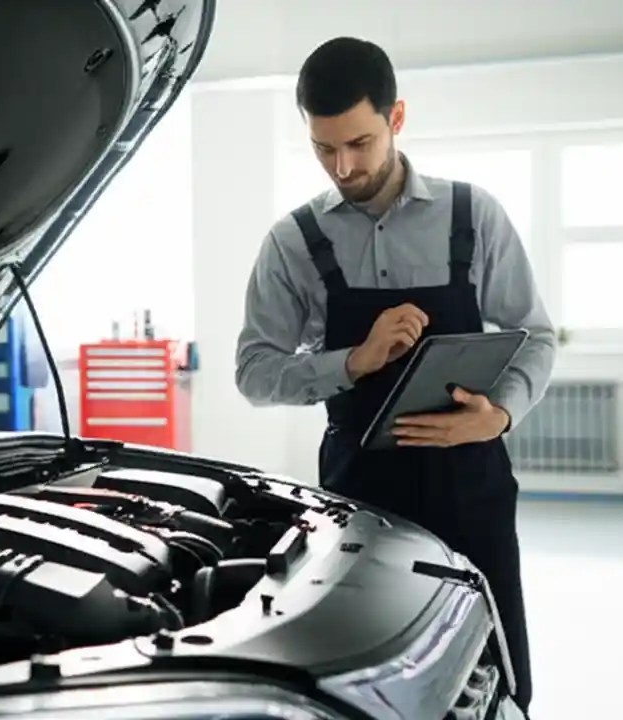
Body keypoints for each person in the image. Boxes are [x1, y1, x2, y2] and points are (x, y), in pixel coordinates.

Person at [234, 37, 555, 715]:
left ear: (396, 118)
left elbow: (537, 336)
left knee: (495, 667)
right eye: (324, 148)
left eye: (358, 142)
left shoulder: (475, 216)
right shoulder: (291, 244)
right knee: (362, 681)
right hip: (360, 495)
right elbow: (255, 373)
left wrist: (497, 416)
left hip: (473, 482)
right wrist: (353, 361)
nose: (343, 166)